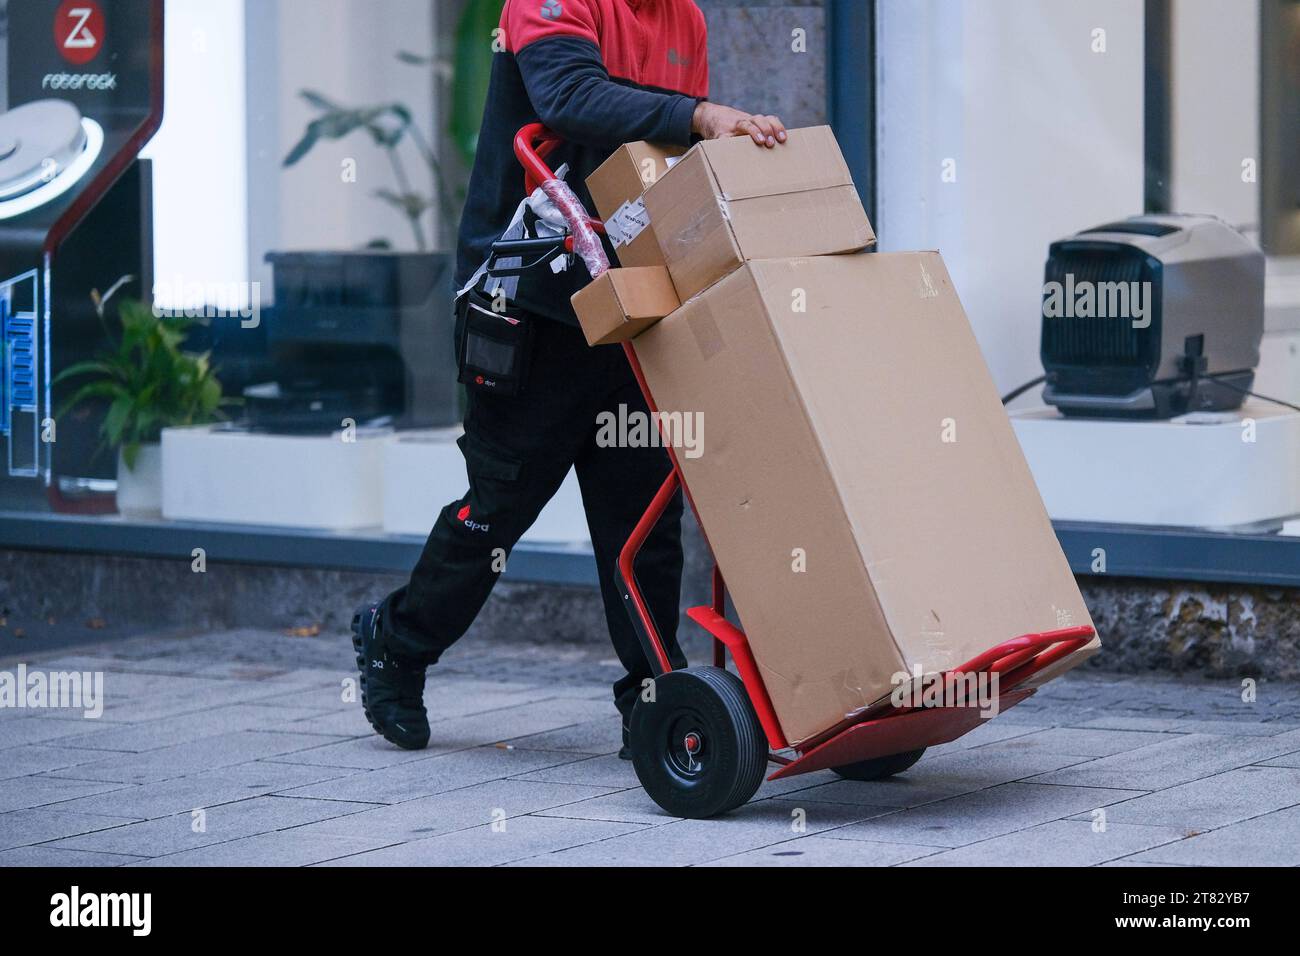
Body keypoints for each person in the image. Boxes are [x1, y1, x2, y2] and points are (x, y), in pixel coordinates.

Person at [352, 0, 786, 753]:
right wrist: (704, 114)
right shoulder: (549, 4)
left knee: (642, 517)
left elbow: (672, 153)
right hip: (528, 296)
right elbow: (568, 98)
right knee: (500, 508)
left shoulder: (685, 18)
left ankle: (653, 699)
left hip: (631, 293)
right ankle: (397, 642)